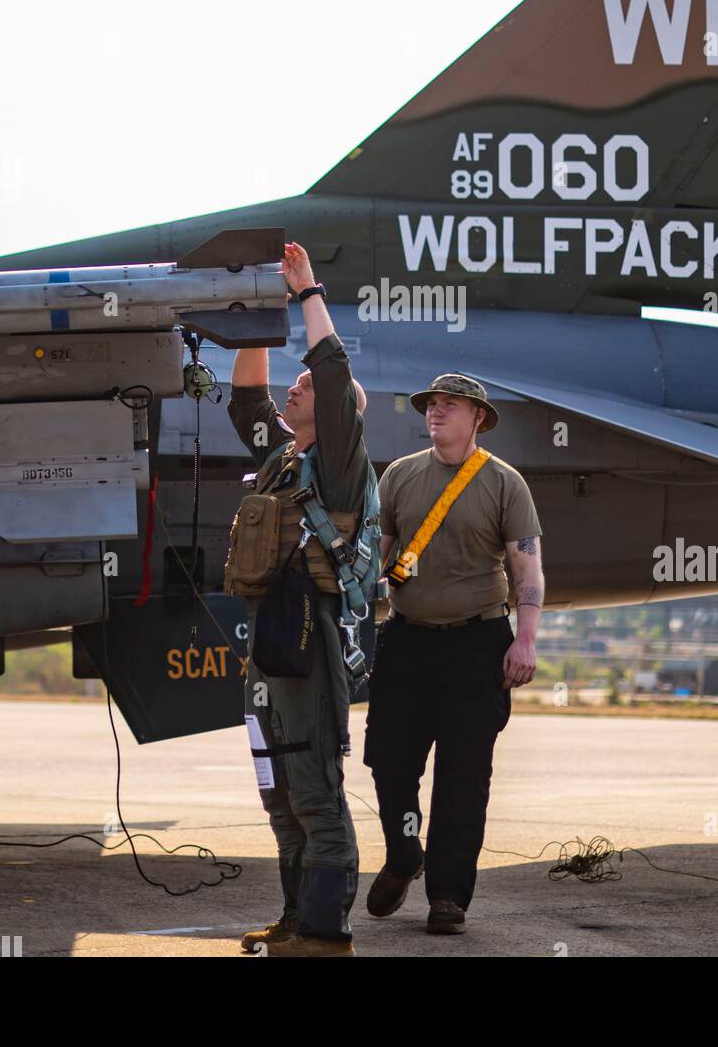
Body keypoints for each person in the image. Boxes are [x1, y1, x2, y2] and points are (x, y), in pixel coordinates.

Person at [224, 241, 371, 957]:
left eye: (305, 389)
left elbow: (334, 373)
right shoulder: (281, 460)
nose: (295, 389)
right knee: (277, 790)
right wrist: (263, 313)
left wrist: (307, 290)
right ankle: (294, 918)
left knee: (313, 787)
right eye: (296, 385)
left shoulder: (339, 466)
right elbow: (247, 400)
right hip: (269, 642)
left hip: (310, 638)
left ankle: (325, 930)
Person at [363, 372, 544, 935]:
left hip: (476, 644)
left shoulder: (504, 483)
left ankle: (447, 896)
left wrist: (526, 639)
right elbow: (380, 556)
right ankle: (404, 853)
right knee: (390, 763)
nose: (436, 412)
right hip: (407, 640)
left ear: (477, 418)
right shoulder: (398, 475)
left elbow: (527, 570)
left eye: (450, 405)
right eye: (432, 405)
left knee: (464, 779)